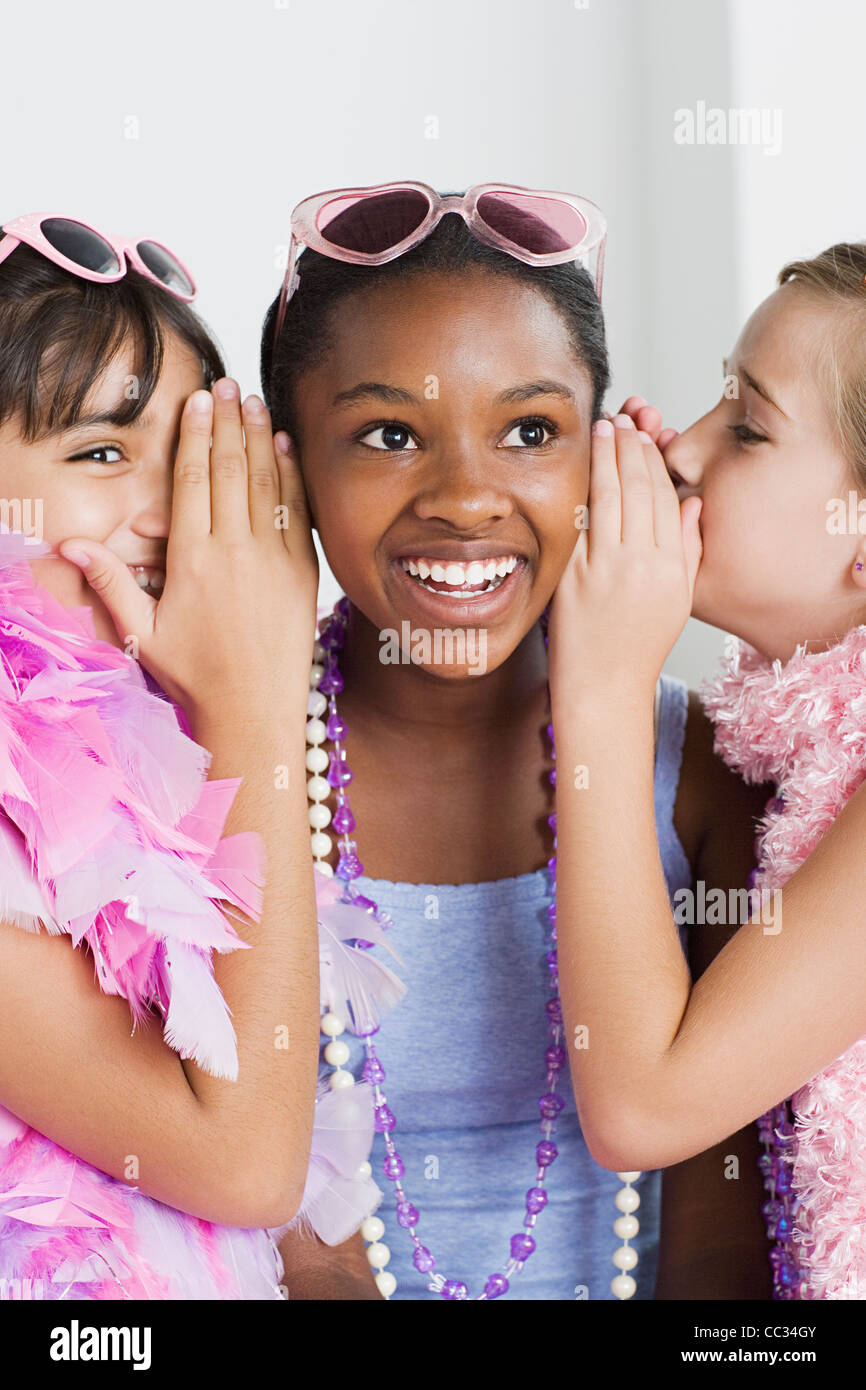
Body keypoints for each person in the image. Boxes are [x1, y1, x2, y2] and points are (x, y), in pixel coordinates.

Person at [259, 182, 771, 1300]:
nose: (464, 498)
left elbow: (722, 1247)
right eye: (387, 433)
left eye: (529, 432)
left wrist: (606, 686)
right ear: (286, 463)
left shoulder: (706, 777)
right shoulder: (215, 768)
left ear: (603, 454)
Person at [0, 214, 391, 1299]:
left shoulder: (153, 754)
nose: (172, 514)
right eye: (101, 452)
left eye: (191, 457)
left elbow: (300, 1217)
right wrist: (258, 701)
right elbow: (244, 1164)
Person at [551, 241, 866, 1299]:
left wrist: (598, 686)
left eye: (745, 428)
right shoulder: (787, 757)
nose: (677, 449)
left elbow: (642, 1107)